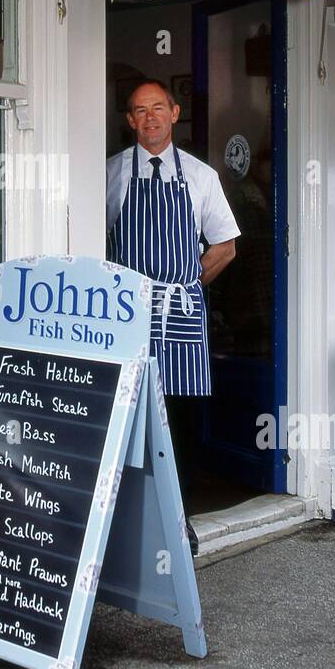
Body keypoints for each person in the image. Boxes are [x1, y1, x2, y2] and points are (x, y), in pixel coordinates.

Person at [106, 80, 240, 552]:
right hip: (126, 318)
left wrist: (184, 284)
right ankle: (123, 524)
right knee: (125, 417)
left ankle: (177, 521)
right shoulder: (111, 174)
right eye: (139, 110)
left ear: (175, 112)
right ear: (129, 120)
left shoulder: (201, 176)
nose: (149, 118)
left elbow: (225, 246)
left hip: (180, 317)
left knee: (177, 422)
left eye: (157, 108)